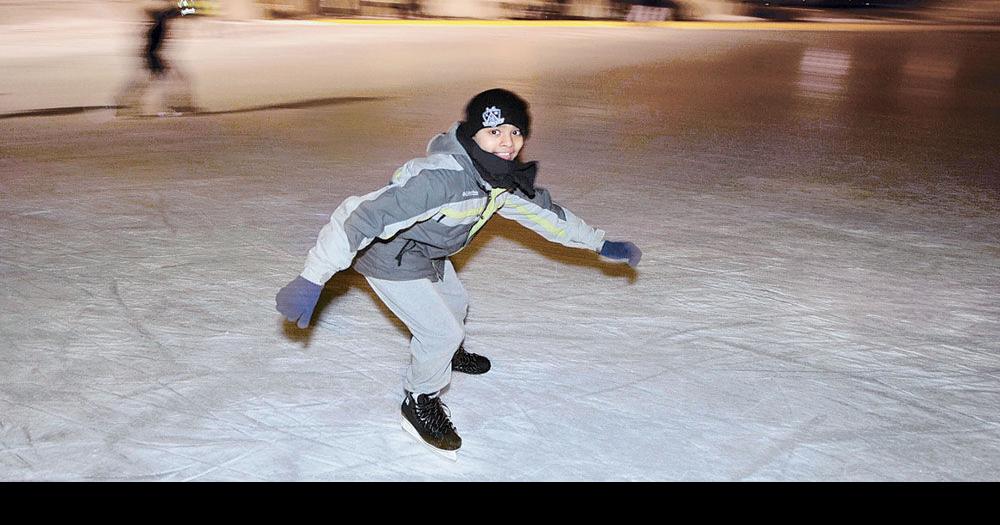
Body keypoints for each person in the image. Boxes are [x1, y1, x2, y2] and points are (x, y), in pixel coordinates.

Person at [275, 88, 642, 459]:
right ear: (473, 134)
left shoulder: (499, 180)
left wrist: (600, 244)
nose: (507, 142)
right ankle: (419, 399)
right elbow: (359, 216)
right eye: (495, 131)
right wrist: (312, 277)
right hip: (388, 257)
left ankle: (447, 353)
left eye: (515, 132)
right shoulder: (443, 180)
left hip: (427, 253)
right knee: (441, 332)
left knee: (457, 302)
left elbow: (548, 216)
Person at [115, 1, 199, 117]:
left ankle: (125, 102)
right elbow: (177, 12)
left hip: (154, 55)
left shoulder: (159, 21)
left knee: (156, 80)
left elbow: (171, 13)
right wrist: (189, 10)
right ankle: (176, 105)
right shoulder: (161, 22)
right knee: (170, 79)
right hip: (153, 55)